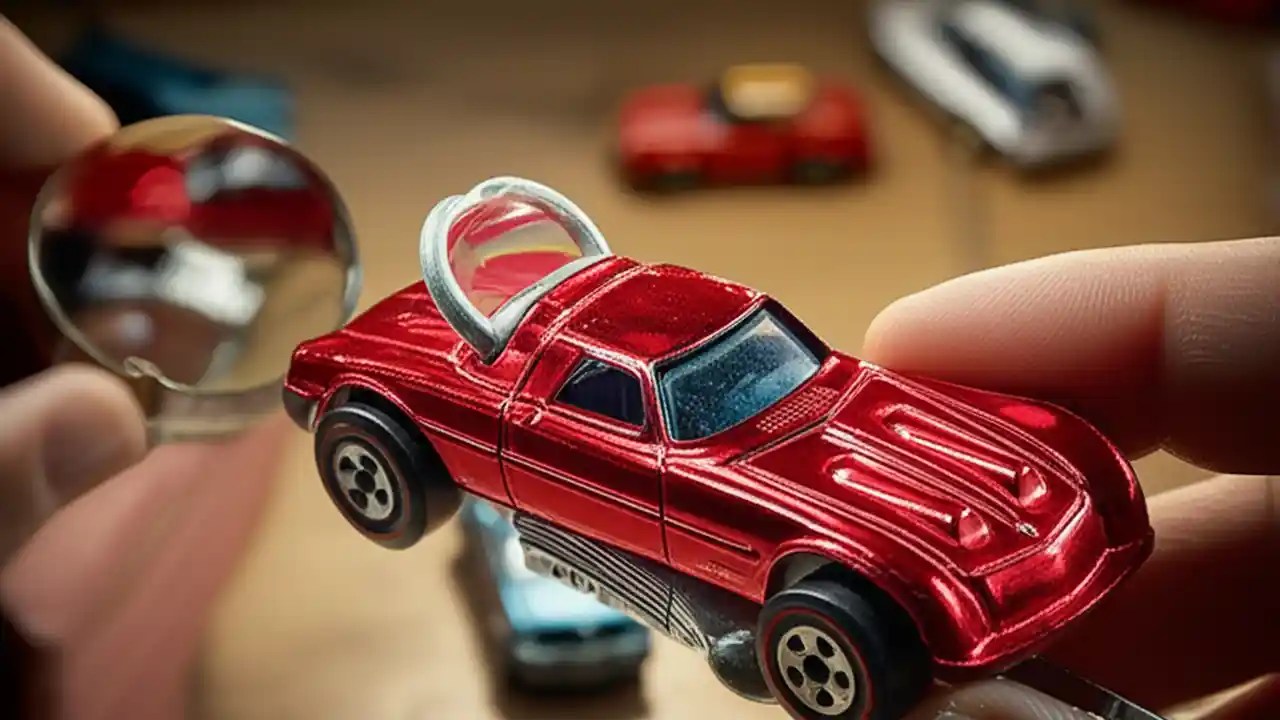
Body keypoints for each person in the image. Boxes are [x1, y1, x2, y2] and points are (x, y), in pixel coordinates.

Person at [0, 18, 1274, 720]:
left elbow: (868, 459)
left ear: (764, 328)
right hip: (613, 422)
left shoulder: (804, 386)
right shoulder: (528, 388)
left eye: (752, 352)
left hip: (784, 482)